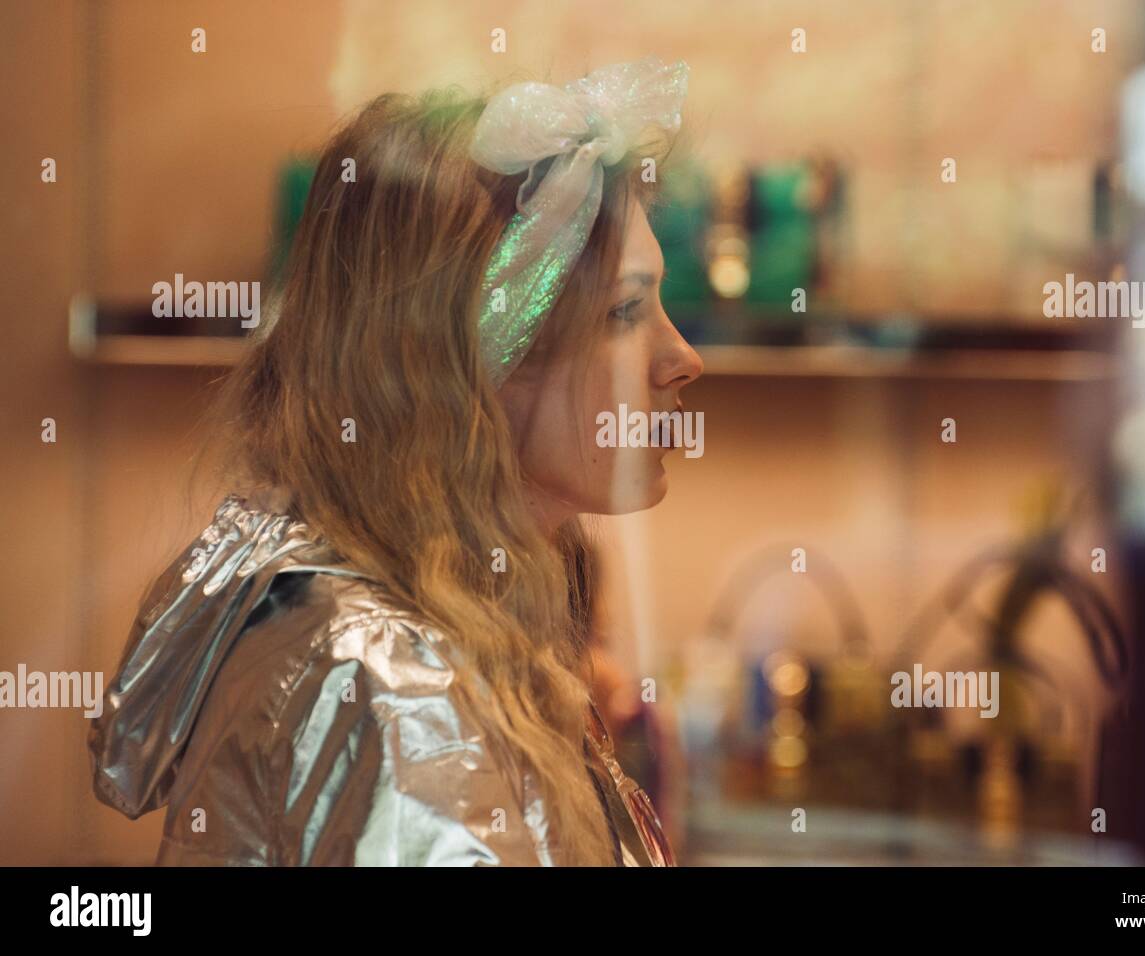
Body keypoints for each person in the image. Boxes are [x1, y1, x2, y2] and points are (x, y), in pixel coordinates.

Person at [86, 57, 703, 867]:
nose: (682, 359)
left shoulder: (449, 627)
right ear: (466, 360)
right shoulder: (390, 682)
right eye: (624, 311)